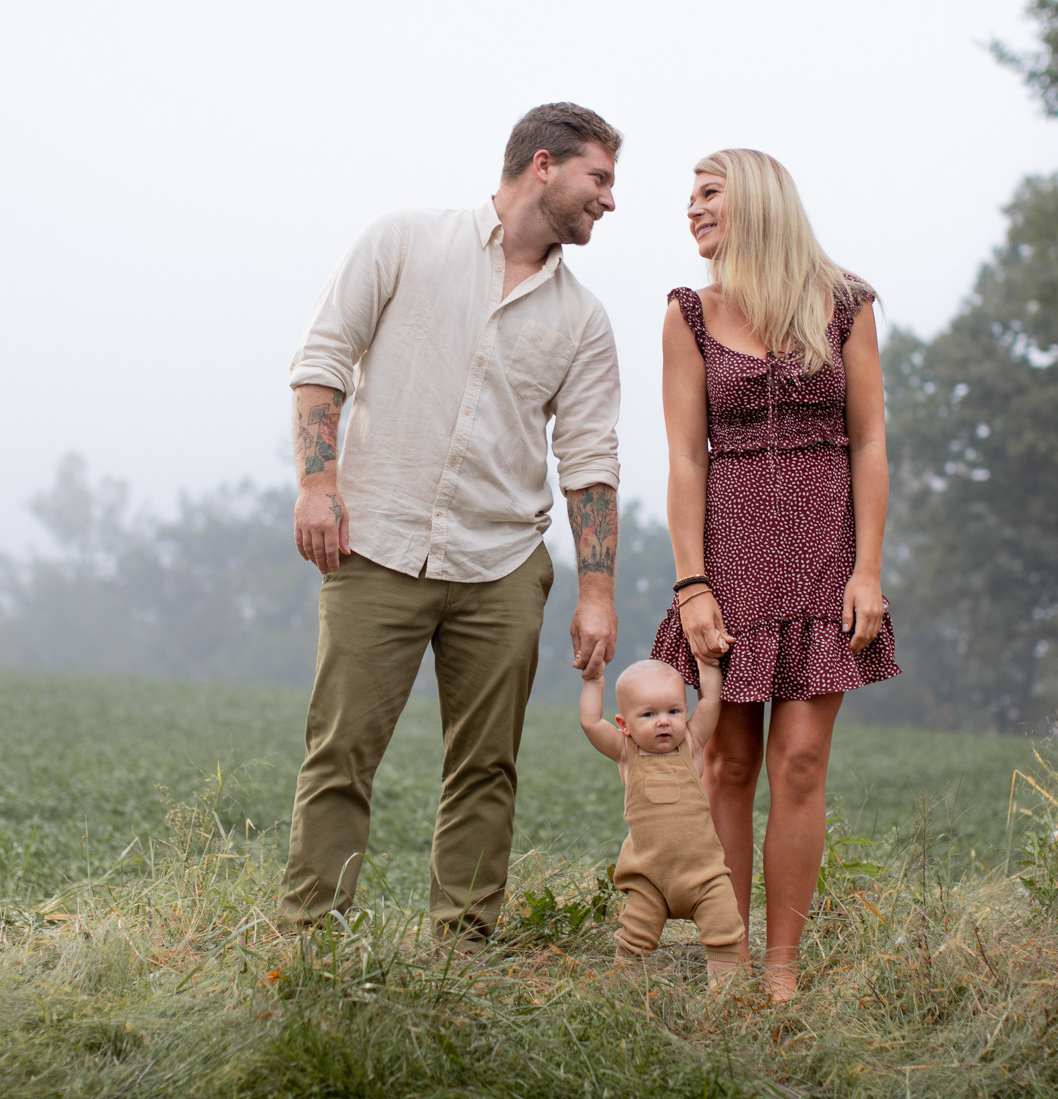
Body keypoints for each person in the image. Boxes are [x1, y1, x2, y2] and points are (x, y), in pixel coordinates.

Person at [280, 102, 624, 950]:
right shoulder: (403, 240)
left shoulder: (583, 320)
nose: (610, 201)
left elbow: (589, 462)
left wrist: (598, 593)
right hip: (377, 545)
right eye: (601, 178)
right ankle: (310, 944)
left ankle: (463, 955)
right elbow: (322, 362)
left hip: (502, 564)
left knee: (486, 769)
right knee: (340, 754)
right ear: (543, 165)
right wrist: (317, 488)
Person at [651, 148, 900, 1000]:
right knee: (724, 765)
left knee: (799, 763)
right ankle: (730, 964)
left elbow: (869, 442)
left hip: (822, 558)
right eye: (690, 198)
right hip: (728, 565)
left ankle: (782, 974)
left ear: (754, 203)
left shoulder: (845, 307)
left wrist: (868, 570)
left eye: (708, 194)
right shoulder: (689, 314)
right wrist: (692, 584)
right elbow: (685, 458)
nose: (692, 210)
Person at [579, 658, 744, 987]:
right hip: (648, 878)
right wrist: (594, 680)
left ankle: (724, 1001)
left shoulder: (692, 745)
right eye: (649, 715)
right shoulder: (626, 754)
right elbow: (590, 722)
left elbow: (711, 700)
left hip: (704, 875)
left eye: (673, 711)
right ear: (624, 724)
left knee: (725, 928)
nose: (663, 722)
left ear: (685, 711)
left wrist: (706, 662)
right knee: (634, 938)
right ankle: (622, 994)